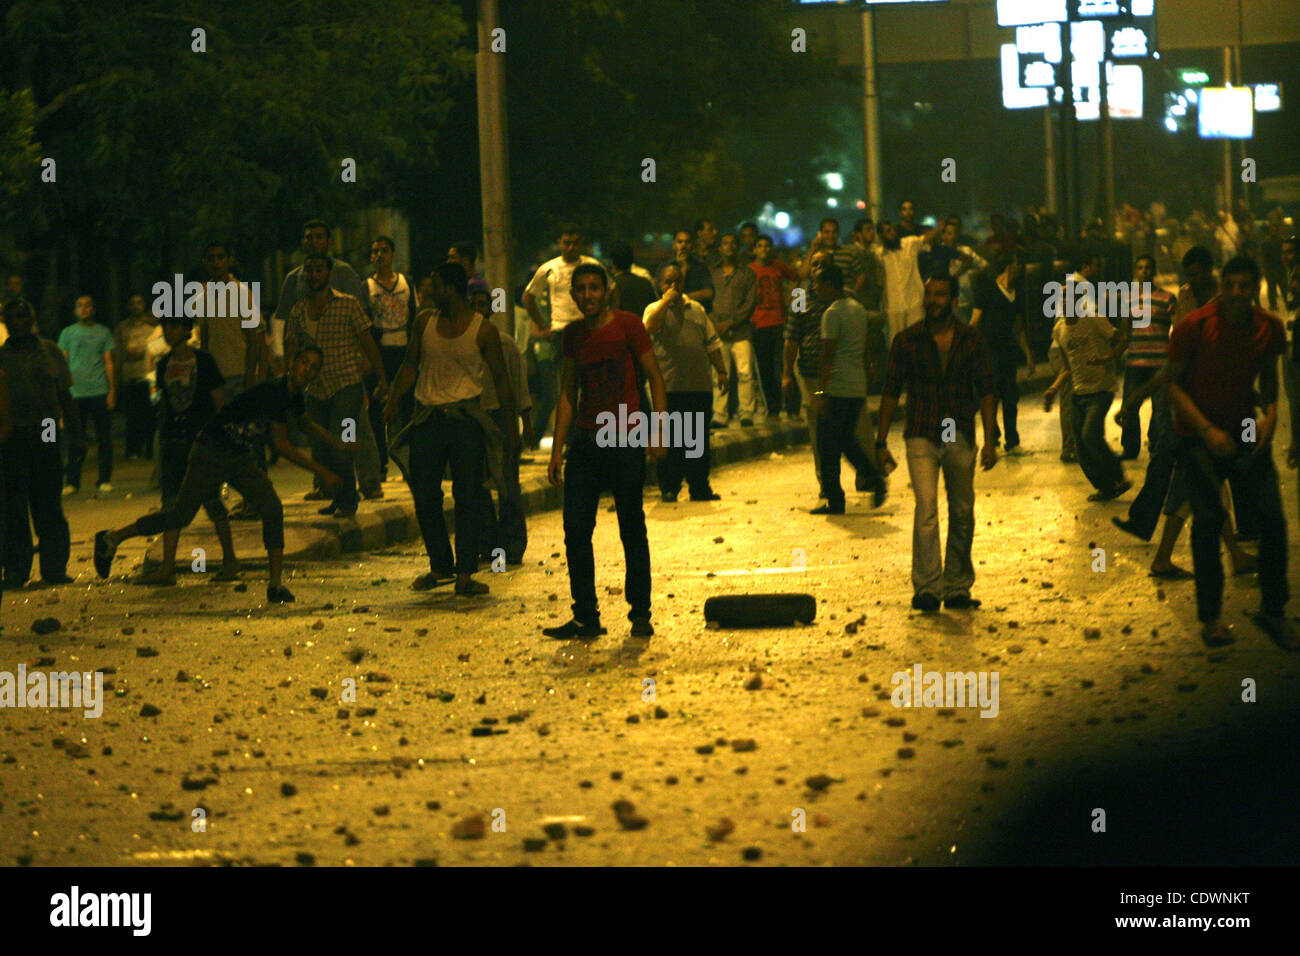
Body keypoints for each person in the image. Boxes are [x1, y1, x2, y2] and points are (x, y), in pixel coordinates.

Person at [94, 346, 345, 604]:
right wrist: (322, 471)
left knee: (271, 507)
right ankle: (112, 538)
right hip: (211, 450)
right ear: (292, 362)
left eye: (314, 367)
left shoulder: (293, 395)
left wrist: (337, 443)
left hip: (238, 456)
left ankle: (275, 584)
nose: (308, 369)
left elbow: (304, 423)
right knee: (180, 515)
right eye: (304, 362)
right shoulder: (275, 392)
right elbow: (281, 446)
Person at [1165, 256, 1293, 648]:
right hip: (1197, 434)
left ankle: (1273, 611)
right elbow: (1171, 386)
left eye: (1245, 286)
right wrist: (1206, 430)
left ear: (1255, 288)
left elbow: (1269, 380)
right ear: (1222, 287)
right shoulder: (1194, 326)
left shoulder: (1268, 327)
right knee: (1207, 522)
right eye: (1231, 285)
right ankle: (1212, 618)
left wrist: (1270, 417)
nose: (1237, 293)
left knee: (1272, 519)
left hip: (1243, 428)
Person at [542, 263, 668, 640]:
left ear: (607, 290)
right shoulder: (573, 336)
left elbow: (656, 380)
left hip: (625, 438)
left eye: (594, 288)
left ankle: (640, 613)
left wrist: (659, 433)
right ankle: (585, 616)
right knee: (576, 530)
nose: (587, 295)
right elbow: (568, 393)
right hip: (585, 441)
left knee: (631, 528)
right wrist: (556, 450)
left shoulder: (629, 325)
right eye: (580, 289)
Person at [384, 262, 518, 597]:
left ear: (453, 289)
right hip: (428, 420)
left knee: (467, 497)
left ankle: (464, 574)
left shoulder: (482, 330)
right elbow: (410, 366)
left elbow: (502, 380)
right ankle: (441, 565)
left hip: (466, 423)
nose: (430, 291)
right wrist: (391, 401)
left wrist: (513, 428)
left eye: (436, 285)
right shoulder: (423, 323)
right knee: (425, 495)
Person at [876, 273, 997, 612]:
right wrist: (880, 442)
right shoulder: (907, 340)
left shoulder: (971, 340)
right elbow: (890, 390)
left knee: (962, 510)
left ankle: (957, 585)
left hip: (957, 431)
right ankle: (927, 587)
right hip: (922, 433)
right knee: (926, 509)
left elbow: (987, 390)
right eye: (928, 294)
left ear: (954, 301)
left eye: (940, 295)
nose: (933, 300)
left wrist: (990, 440)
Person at [272, 218, 382, 500]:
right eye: (309, 237)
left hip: (346, 372)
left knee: (353, 430)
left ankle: (365, 483)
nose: (313, 242)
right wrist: (286, 366)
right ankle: (327, 485)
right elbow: (285, 326)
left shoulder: (344, 276)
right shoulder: (294, 281)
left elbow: (360, 322)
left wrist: (371, 366)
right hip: (314, 378)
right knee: (321, 436)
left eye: (319, 237)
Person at [284, 253, 389, 519]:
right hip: (315, 391)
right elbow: (292, 348)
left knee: (343, 443)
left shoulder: (348, 304)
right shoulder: (298, 312)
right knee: (321, 449)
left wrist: (381, 377)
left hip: (347, 387)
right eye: (309, 270)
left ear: (329, 274)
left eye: (319, 269)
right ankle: (338, 496)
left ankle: (349, 501)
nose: (313, 275)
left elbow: (367, 340)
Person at [136, 314, 240, 586]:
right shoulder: (164, 364)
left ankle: (230, 560)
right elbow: (166, 407)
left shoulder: (203, 362)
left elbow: (218, 402)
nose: (169, 332)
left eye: (174, 327)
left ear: (186, 330)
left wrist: (221, 436)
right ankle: (168, 566)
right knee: (170, 503)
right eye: (166, 327)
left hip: (200, 440)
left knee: (211, 500)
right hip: (174, 443)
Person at [0, 299, 78, 589]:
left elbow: (66, 396)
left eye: (23, 315)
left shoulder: (51, 352)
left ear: (32, 318)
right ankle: (17, 569)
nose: (18, 321)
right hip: (14, 433)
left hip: (46, 428)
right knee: (15, 505)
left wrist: (77, 435)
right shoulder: (1, 357)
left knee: (47, 499)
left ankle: (54, 567)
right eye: (12, 317)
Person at [1045, 266, 1131, 503]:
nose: (1063, 301)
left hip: (1100, 389)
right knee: (1081, 447)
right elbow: (1066, 368)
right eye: (1060, 297)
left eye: (1067, 296)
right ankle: (1106, 487)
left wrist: (1109, 358)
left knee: (1090, 435)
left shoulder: (1093, 318)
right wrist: (1053, 388)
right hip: (1078, 392)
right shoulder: (1059, 330)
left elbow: (1121, 339)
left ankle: (1117, 475)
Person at [644, 264, 728, 502]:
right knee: (670, 441)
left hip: (698, 387)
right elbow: (649, 327)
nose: (673, 286)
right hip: (668, 388)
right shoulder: (653, 310)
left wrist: (721, 371)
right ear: (659, 285)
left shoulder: (697, 309)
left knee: (698, 441)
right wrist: (665, 302)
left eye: (677, 281)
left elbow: (711, 343)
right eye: (668, 282)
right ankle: (669, 488)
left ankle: (699, 487)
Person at [808, 264, 884, 514]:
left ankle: (839, 497)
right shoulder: (857, 309)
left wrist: (820, 392)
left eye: (819, 283)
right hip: (856, 386)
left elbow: (827, 355)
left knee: (827, 445)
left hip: (837, 387)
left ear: (830, 285)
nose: (815, 288)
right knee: (845, 440)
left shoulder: (831, 314)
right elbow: (863, 346)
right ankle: (870, 477)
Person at [469, 276, 532, 565]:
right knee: (478, 486)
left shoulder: (505, 345)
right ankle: (486, 544)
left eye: (483, 304)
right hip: (472, 418)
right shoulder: (462, 344)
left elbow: (519, 388)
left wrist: (523, 425)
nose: (478, 309)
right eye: (473, 304)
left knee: (507, 484)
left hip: (499, 417)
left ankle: (513, 545)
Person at [522, 225, 600, 446]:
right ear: (560, 242)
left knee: (591, 388)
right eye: (567, 242)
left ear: (581, 243)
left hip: (589, 330)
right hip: (561, 333)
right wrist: (541, 324)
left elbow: (611, 291)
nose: (571, 247)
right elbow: (528, 296)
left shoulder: (591, 265)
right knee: (566, 390)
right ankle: (571, 442)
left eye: (575, 242)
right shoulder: (550, 268)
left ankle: (586, 439)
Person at [366, 234, 418, 480]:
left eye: (384, 250)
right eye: (375, 251)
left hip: (404, 351)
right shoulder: (366, 286)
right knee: (376, 410)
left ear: (393, 255)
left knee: (407, 408)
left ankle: (410, 463)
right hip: (380, 353)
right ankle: (380, 465)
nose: (379, 255)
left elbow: (414, 316)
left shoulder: (406, 283)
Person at [971, 252, 1034, 452]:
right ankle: (993, 435)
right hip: (988, 349)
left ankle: (1012, 438)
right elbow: (974, 321)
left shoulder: (1016, 293)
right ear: (1009, 266)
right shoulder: (987, 290)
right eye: (1017, 263)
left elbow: (1018, 327)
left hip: (1007, 349)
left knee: (1010, 395)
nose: (1020, 268)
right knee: (991, 394)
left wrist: (1027, 354)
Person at [1118, 255, 1177, 460]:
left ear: (1154, 271)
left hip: (1160, 360)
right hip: (1135, 360)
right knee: (1130, 406)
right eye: (1141, 268)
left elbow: (1176, 328)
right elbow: (1125, 332)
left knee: (1161, 408)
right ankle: (1130, 447)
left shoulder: (1167, 298)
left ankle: (1159, 445)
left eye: (1148, 268)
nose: (1144, 271)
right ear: (1137, 272)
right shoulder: (1128, 299)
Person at [58, 295, 116, 495]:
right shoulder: (67, 333)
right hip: (75, 391)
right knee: (75, 439)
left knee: (104, 438)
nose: (84, 308)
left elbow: (109, 362)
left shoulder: (103, 332)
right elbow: (62, 363)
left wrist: (112, 390)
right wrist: (61, 392)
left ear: (93, 309)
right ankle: (72, 481)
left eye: (88, 305)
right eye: (80, 305)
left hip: (99, 389)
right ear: (75, 309)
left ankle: (104, 479)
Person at [708, 232, 758, 428]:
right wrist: (713, 323)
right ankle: (720, 414)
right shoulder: (712, 273)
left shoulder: (747, 274)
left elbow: (750, 303)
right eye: (725, 243)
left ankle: (746, 413)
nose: (729, 247)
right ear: (720, 248)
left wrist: (729, 322)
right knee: (719, 374)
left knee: (746, 373)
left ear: (737, 248)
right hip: (717, 332)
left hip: (741, 331)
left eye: (733, 243)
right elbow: (708, 300)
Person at [749, 234, 799, 420]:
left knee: (783, 367)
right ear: (754, 249)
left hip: (779, 324)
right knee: (765, 370)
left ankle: (793, 408)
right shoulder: (749, 271)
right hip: (758, 325)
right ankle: (774, 408)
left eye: (767, 245)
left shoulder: (778, 267)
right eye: (760, 245)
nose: (764, 249)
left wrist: (796, 306)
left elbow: (798, 279)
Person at [115, 294, 162, 460]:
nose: (136, 306)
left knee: (149, 415)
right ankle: (133, 449)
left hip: (147, 376)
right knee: (131, 416)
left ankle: (150, 449)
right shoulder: (122, 328)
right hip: (129, 376)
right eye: (132, 303)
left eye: (139, 302)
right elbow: (118, 352)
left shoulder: (152, 326)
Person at [607, 241, 657, 320]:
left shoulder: (611, 285)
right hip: (642, 328)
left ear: (613, 263)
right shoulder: (645, 283)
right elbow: (654, 309)